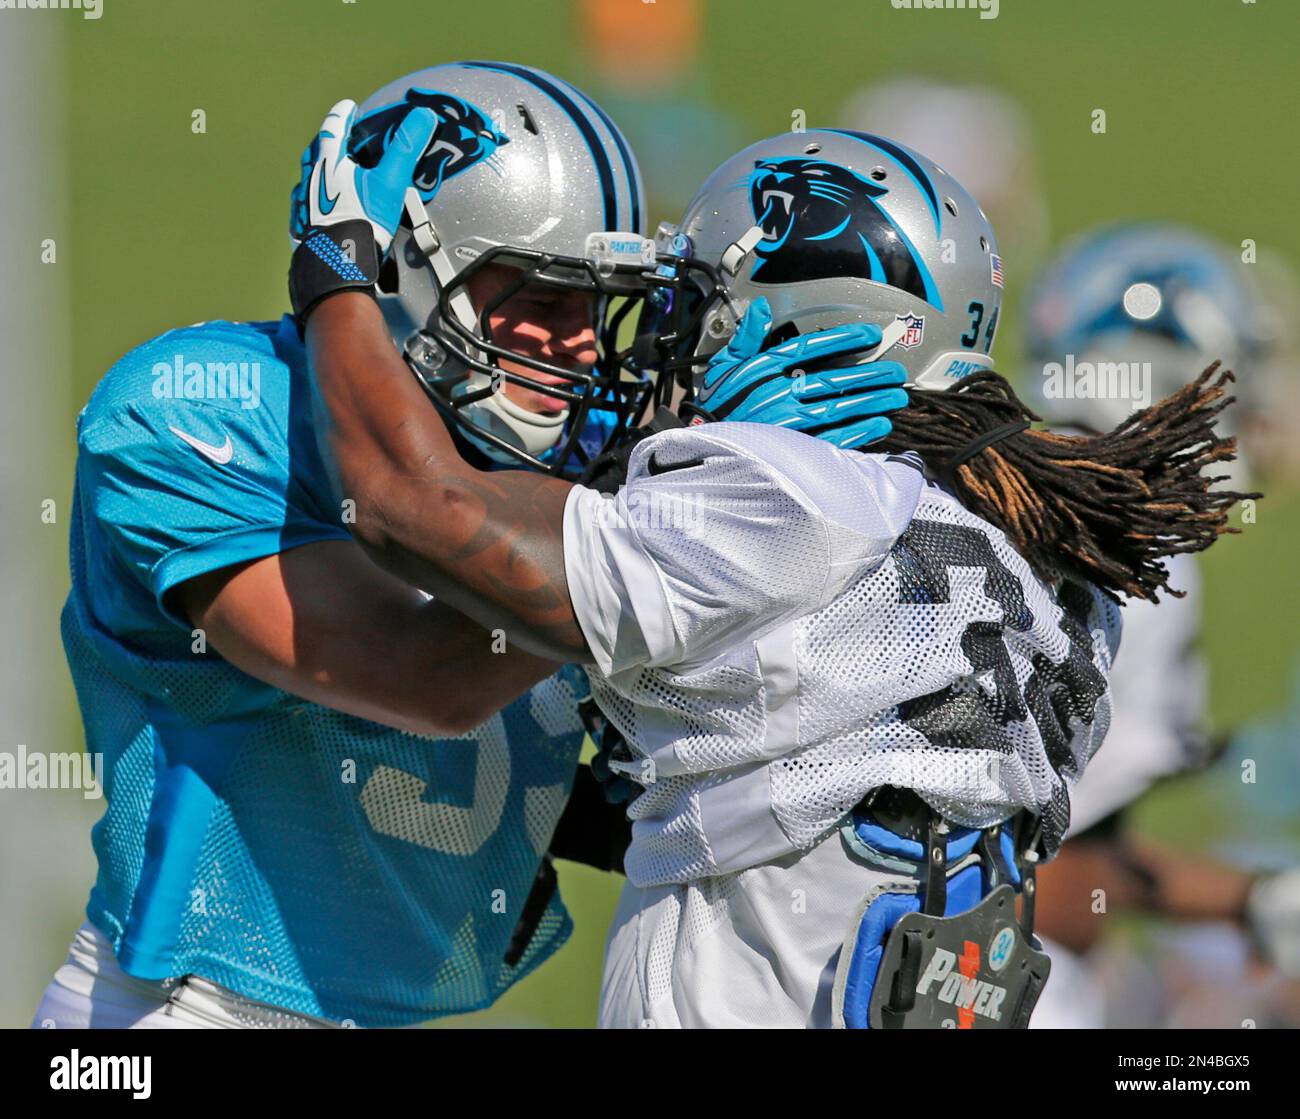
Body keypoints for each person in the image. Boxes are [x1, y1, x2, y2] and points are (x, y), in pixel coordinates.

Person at [293, 119, 1253, 1028]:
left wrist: (337, 276)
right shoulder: (1043, 548)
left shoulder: (790, 498)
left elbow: (412, 511)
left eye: (695, 310)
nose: (672, 345)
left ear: (803, 328)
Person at [37, 61, 655, 1030]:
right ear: (396, 268)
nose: (577, 345)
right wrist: (658, 551)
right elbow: (419, 679)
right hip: (195, 1011)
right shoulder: (206, 406)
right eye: (536, 296)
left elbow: (482, 769)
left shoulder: (576, 459)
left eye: (598, 306)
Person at [1021, 223, 1300, 1028]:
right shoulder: (1138, 541)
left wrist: (1249, 899)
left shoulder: (948, 491)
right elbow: (1054, 890)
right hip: (978, 986)